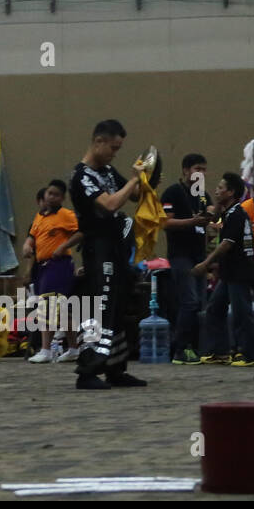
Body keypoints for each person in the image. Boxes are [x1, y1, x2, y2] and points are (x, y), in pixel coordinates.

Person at [69, 119, 146, 390]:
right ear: (99, 141)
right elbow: (111, 203)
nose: (115, 154)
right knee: (98, 307)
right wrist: (135, 178)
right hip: (98, 247)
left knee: (121, 305)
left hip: (117, 247)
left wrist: (146, 175)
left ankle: (116, 367)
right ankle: (87, 370)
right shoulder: (82, 176)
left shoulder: (109, 171)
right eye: (113, 148)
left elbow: (134, 196)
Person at [193, 173, 254, 367]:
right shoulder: (228, 213)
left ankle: (249, 353)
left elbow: (226, 245)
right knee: (214, 309)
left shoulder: (237, 214)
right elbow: (215, 219)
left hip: (239, 272)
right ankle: (220, 351)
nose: (216, 190)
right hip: (229, 272)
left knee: (241, 313)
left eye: (221, 187)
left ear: (231, 192)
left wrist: (206, 263)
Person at [161, 153, 213, 366]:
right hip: (180, 255)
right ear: (185, 170)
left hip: (199, 256)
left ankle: (196, 346)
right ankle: (180, 349)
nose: (200, 173)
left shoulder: (203, 195)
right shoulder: (172, 192)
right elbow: (165, 222)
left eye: (203, 169)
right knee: (189, 301)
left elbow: (211, 217)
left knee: (201, 303)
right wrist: (193, 221)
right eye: (196, 169)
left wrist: (213, 219)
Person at [22, 179, 82, 364]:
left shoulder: (66, 215)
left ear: (62, 198)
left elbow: (81, 232)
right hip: (43, 266)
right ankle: (73, 349)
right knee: (62, 310)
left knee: (47, 307)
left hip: (59, 265)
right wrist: (26, 245)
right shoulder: (40, 216)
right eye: (49, 193)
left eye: (56, 194)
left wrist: (63, 246)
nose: (51, 197)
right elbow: (32, 236)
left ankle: (46, 349)